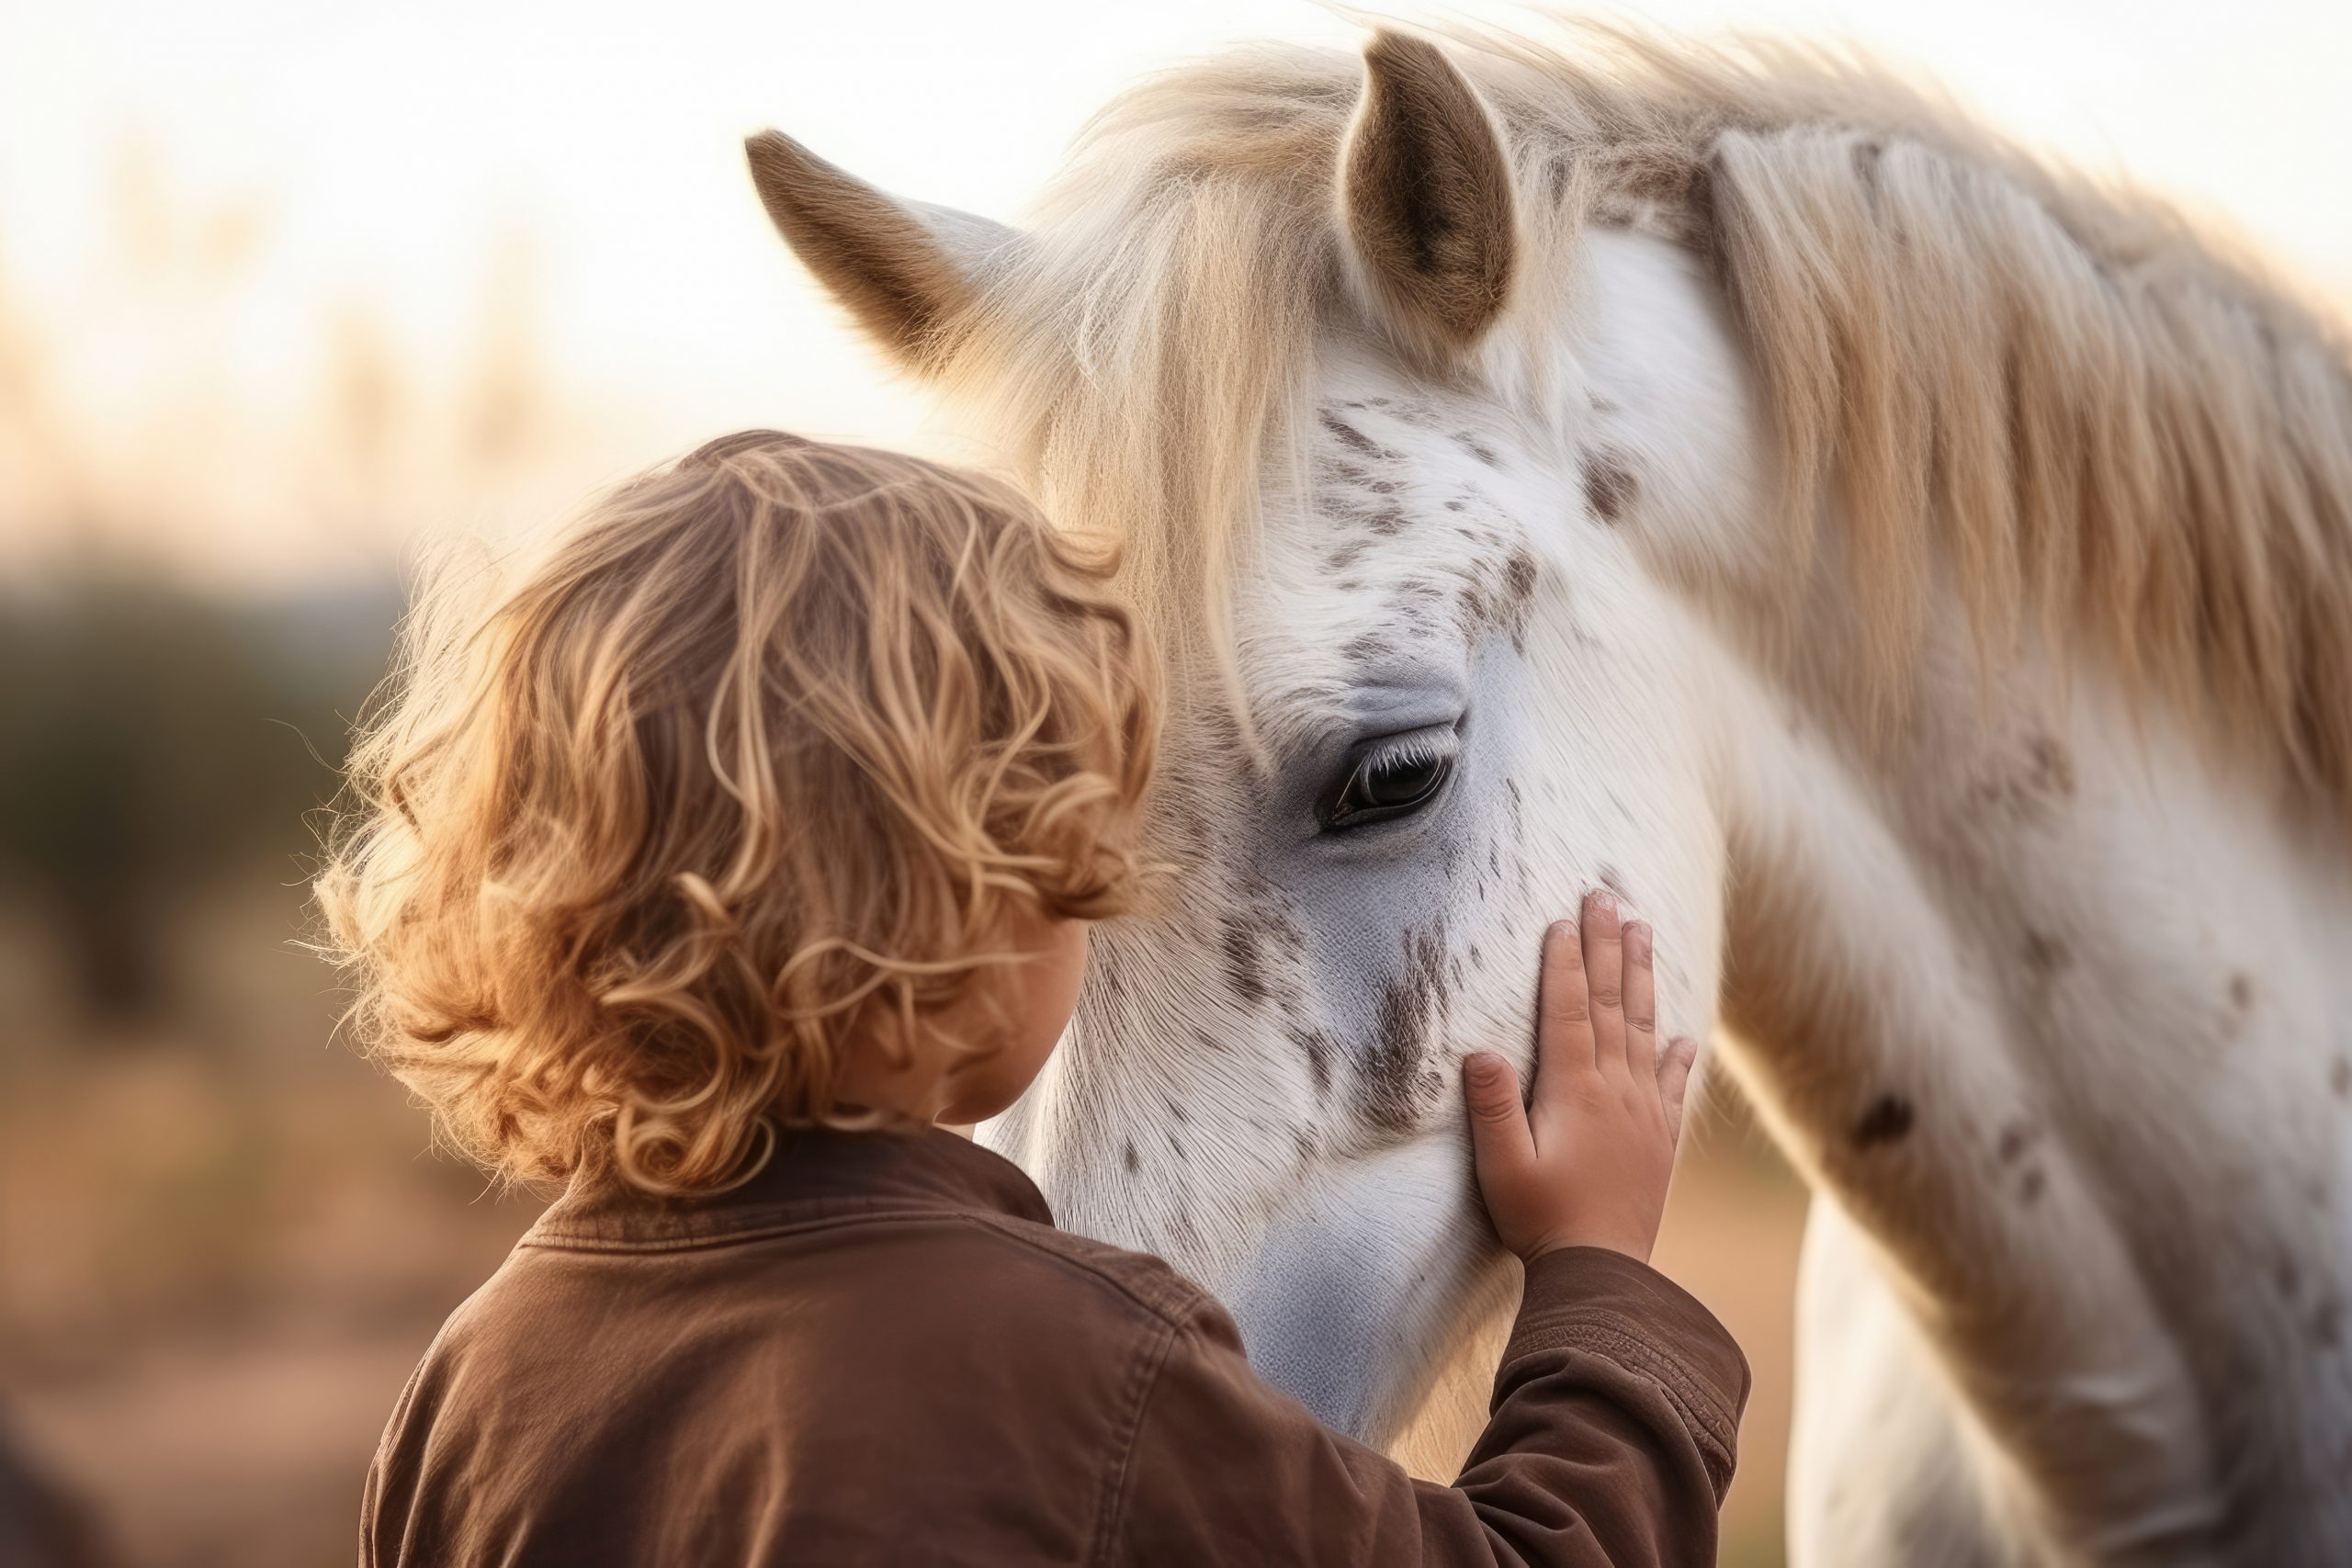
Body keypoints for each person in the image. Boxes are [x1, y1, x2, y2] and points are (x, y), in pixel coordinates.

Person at [314, 428, 1747, 1566]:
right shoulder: (1089, 1373)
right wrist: (1599, 1277)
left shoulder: (477, 1384)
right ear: (953, 915)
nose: (1105, 913)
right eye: (1084, 865)